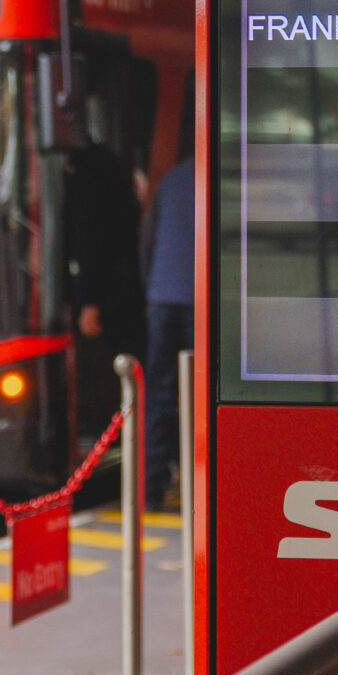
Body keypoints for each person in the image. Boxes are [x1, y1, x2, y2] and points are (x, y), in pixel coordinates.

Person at [63, 138, 145, 435]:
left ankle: (120, 429)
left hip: (107, 294)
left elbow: (87, 244)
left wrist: (88, 301)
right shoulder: (115, 174)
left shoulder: (87, 183)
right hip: (127, 287)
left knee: (115, 365)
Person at [141, 154, 194, 507]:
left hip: (163, 299)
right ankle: (199, 483)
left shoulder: (172, 179)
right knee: (200, 394)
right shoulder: (221, 179)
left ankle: (152, 487)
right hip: (200, 303)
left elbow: (146, 239)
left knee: (157, 396)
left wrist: (152, 288)